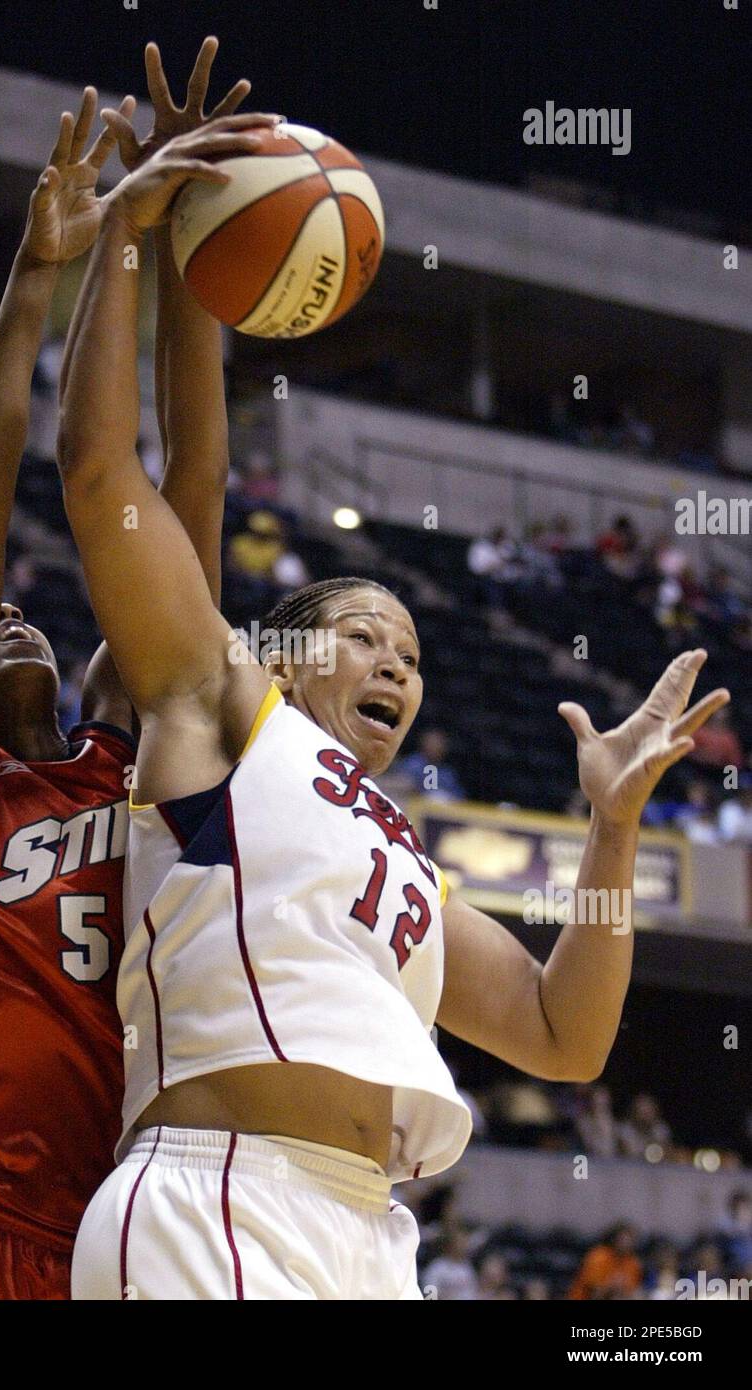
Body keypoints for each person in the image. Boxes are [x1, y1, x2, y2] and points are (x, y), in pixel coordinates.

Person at [58, 118, 731, 1300]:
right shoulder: (222, 714)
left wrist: (611, 832)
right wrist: (140, 238)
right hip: (218, 1197)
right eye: (363, 635)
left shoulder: (402, 862)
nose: (396, 666)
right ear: (276, 650)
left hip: (370, 1235)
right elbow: (113, 473)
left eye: (411, 653)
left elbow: (562, 1034)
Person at [0, 41, 258, 1300]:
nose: (17, 610)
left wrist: (178, 230)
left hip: (152, 1240)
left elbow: (187, 478)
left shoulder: (137, 747)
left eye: (41, 614)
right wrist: (42, 272)